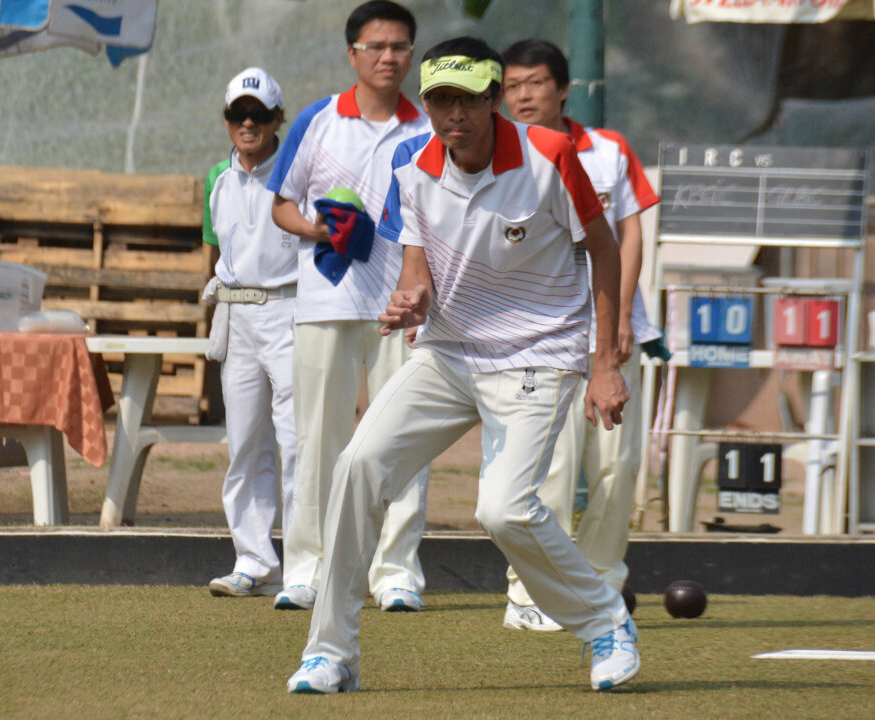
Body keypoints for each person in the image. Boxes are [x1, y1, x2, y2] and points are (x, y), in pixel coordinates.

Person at [285, 36, 639, 694]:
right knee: (358, 466)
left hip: (537, 353)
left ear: (493, 100)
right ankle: (330, 652)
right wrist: (410, 301)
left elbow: (604, 247)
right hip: (448, 353)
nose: (454, 114)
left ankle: (605, 622)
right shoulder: (415, 167)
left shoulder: (549, 157)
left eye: (468, 99)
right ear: (428, 102)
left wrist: (604, 361)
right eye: (441, 99)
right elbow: (418, 273)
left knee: (503, 511)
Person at [266, 1, 432, 613]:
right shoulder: (318, 120)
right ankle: (307, 569)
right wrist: (320, 231)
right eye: (377, 47)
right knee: (318, 441)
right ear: (352, 53)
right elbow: (281, 203)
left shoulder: (428, 127)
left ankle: (396, 573)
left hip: (402, 309)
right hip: (325, 302)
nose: (390, 58)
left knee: (403, 442)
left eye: (401, 47)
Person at [498, 39, 661, 631]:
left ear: (562, 89)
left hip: (616, 337)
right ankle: (529, 594)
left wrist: (618, 322)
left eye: (535, 83)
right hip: (544, 341)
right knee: (549, 472)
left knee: (617, 469)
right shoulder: (501, 156)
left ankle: (599, 586)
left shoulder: (610, 150)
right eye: (512, 85)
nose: (523, 96)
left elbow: (630, 235)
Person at [203, 67, 298, 598]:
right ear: (226, 120)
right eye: (239, 114)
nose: (248, 122)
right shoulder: (219, 178)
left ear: (277, 118)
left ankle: (304, 563)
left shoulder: (298, 171)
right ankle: (255, 560)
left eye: (259, 114)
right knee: (244, 442)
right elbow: (219, 254)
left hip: (289, 309)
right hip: (238, 315)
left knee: (296, 441)